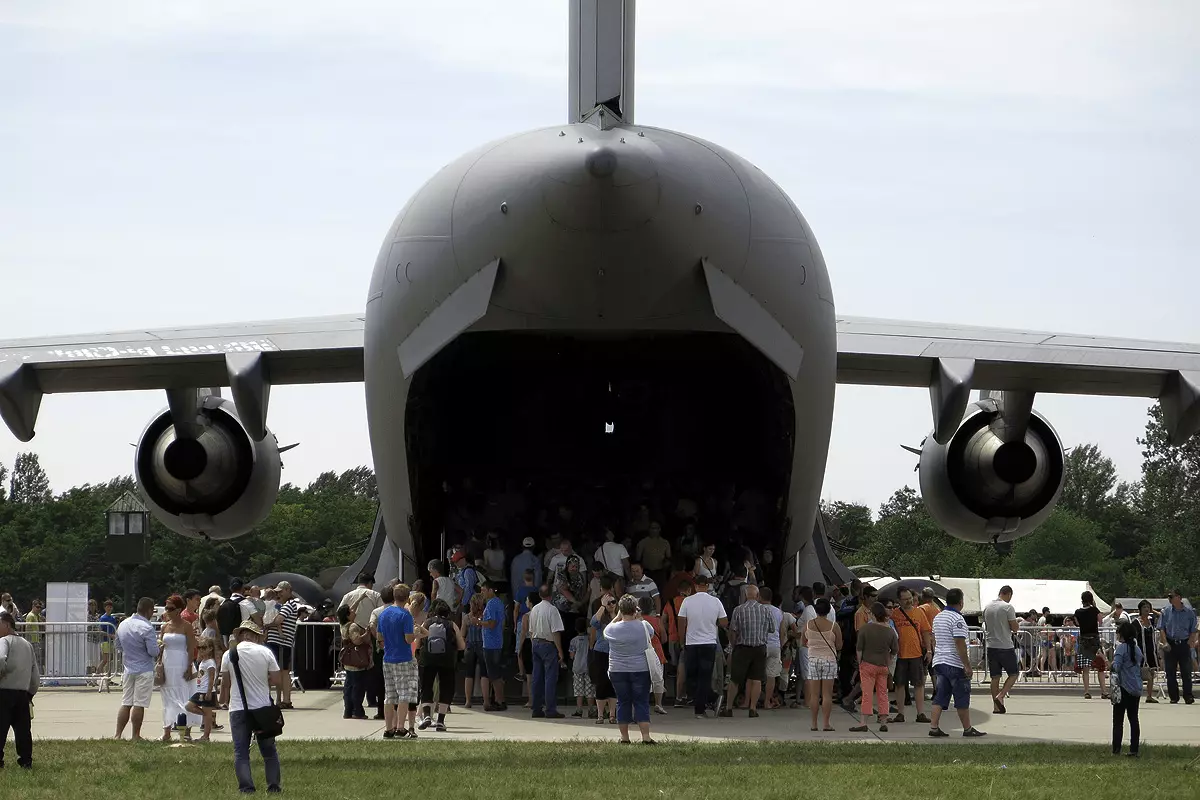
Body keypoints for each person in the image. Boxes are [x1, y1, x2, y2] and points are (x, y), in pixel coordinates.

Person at [219, 621, 282, 794]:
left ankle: (247, 788)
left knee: (241, 752)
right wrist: (263, 682)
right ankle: (274, 786)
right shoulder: (265, 652)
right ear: (255, 636)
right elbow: (277, 680)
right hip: (262, 708)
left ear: (241, 635)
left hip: (238, 708)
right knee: (269, 751)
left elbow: (225, 683)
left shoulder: (229, 655)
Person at [929, 588, 985, 738]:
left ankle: (933, 726)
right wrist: (967, 665)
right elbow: (959, 642)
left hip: (939, 661)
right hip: (954, 662)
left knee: (940, 695)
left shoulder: (938, 617)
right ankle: (967, 729)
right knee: (962, 696)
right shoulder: (957, 619)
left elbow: (933, 639)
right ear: (961, 602)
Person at [603, 594, 657, 744]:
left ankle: (624, 737)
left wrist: (618, 616)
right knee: (641, 701)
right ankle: (645, 736)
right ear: (635, 609)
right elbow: (650, 634)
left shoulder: (612, 629)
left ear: (621, 609)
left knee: (623, 701)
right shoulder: (644, 626)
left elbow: (606, 631)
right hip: (640, 668)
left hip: (617, 669)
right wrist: (639, 617)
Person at [677, 573, 728, 718]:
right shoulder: (716, 601)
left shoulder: (687, 601)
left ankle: (701, 707)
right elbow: (724, 622)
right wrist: (713, 623)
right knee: (704, 676)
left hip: (692, 643)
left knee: (691, 677)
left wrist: (682, 641)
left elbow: (681, 621)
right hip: (709, 642)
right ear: (707, 586)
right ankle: (711, 699)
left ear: (694, 585)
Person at [415, 599, 466, 732]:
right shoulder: (452, 624)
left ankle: (426, 715)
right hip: (447, 661)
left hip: (427, 659)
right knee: (446, 689)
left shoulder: (427, 622)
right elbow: (462, 646)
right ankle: (440, 721)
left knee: (426, 687)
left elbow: (418, 642)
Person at [376, 584, 419, 739]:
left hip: (388, 657)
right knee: (404, 695)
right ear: (407, 597)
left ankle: (389, 729)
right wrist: (415, 634)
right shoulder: (405, 615)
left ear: (394, 596)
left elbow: (379, 638)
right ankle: (401, 727)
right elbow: (408, 639)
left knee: (389, 695)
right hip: (403, 658)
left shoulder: (384, 614)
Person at [114, 597, 159, 741]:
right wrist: (160, 647)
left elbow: (118, 646)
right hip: (144, 669)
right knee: (139, 704)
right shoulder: (147, 627)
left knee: (126, 702)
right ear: (149, 610)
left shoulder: (123, 624)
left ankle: (118, 734)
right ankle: (135, 735)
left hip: (128, 668)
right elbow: (153, 652)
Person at [159, 594, 201, 742]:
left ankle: (186, 732)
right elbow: (161, 647)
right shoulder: (165, 627)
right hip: (168, 663)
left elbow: (191, 648)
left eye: (170, 608)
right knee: (167, 697)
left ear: (178, 610)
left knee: (185, 695)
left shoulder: (186, 626)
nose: (167, 611)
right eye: (166, 608)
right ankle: (167, 731)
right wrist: (159, 665)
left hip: (182, 662)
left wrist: (190, 667)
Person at [0, 611, 39, 769]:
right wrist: (30, 693)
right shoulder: (27, 644)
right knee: (23, 730)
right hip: (23, 693)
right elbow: (35, 673)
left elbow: (1, 659)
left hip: (4, 692)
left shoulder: (4, 641)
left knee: (0, 728)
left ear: (6, 625)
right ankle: (25, 760)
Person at [851, 602, 897, 734]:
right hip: (883, 665)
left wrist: (860, 663)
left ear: (873, 614)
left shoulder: (865, 629)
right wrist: (888, 660)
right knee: (883, 693)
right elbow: (894, 650)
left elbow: (859, 649)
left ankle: (864, 722)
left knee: (867, 693)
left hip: (868, 664)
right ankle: (883, 720)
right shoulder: (890, 630)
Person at [527, 584, 566, 719]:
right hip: (548, 644)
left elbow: (530, 630)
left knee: (536, 678)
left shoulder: (534, 609)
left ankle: (536, 708)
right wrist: (560, 651)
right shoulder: (552, 610)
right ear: (551, 595)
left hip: (536, 642)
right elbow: (555, 632)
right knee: (550, 678)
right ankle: (550, 709)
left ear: (539, 595)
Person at [802, 597, 841, 732]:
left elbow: (802, 642)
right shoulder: (834, 626)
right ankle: (826, 723)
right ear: (829, 610)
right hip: (829, 660)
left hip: (813, 660)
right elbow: (839, 645)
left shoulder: (808, 625)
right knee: (827, 695)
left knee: (814, 695)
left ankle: (813, 723)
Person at [983, 586, 1020, 714]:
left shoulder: (987, 607)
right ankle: (1001, 695)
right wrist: (1017, 624)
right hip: (1005, 645)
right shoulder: (1007, 607)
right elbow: (1014, 627)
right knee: (1014, 673)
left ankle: (996, 706)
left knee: (995, 677)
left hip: (991, 645)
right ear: (1008, 594)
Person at [1156, 589, 1197, 705]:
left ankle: (1188, 695)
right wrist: (1165, 642)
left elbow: (1193, 629)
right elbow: (1162, 628)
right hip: (1171, 643)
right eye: (1169, 597)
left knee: (1186, 671)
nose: (1170, 599)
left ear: (1179, 597)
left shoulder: (1189, 612)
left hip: (1184, 643)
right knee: (1170, 672)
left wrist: (1190, 641)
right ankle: (1174, 696)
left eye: (1172, 596)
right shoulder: (1166, 612)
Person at [1111, 620, 1144, 757]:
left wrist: (1109, 663)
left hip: (1124, 687)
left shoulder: (1121, 648)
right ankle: (1134, 749)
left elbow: (1116, 667)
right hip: (1136, 687)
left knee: (1118, 721)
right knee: (1133, 719)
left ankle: (1116, 749)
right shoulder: (1136, 649)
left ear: (1122, 634)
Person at [338, 604, 371, 719]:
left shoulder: (343, 626)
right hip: (357, 660)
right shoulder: (352, 626)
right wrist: (366, 634)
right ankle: (357, 711)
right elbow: (356, 640)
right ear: (347, 615)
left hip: (348, 661)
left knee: (348, 687)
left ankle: (348, 710)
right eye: (351, 611)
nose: (353, 611)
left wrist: (360, 599)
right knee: (358, 687)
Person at [479, 581, 507, 711]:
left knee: (494, 674)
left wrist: (478, 622)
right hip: (496, 642)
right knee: (496, 673)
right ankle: (499, 699)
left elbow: (491, 623)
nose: (482, 593)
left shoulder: (491, 604)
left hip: (491, 643)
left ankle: (499, 700)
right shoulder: (499, 603)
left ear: (491, 590)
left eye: (484, 590)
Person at [186, 638, 219, 741]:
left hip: (207, 691)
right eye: (199, 648)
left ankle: (206, 736)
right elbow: (201, 674)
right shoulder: (203, 662)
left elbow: (211, 678)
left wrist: (209, 691)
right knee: (189, 706)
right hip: (200, 690)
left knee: (206, 716)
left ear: (210, 649)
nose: (201, 650)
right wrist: (192, 676)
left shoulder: (210, 662)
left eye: (204, 648)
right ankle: (206, 715)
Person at [1075, 591, 1104, 700]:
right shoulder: (1095, 610)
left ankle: (1087, 691)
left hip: (1083, 639)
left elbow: (1077, 623)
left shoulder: (1078, 612)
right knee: (1100, 666)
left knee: (1085, 669)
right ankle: (1103, 691)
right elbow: (1100, 621)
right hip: (1094, 639)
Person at [1134, 600, 1160, 703]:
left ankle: (1149, 696)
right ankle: (1136, 694)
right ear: (1140, 609)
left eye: (1148, 607)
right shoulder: (1136, 622)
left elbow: (1163, 616)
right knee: (1139, 674)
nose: (1146, 609)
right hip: (1140, 650)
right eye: (1144, 607)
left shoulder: (1151, 620)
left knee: (1152, 673)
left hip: (1151, 650)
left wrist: (1153, 611)